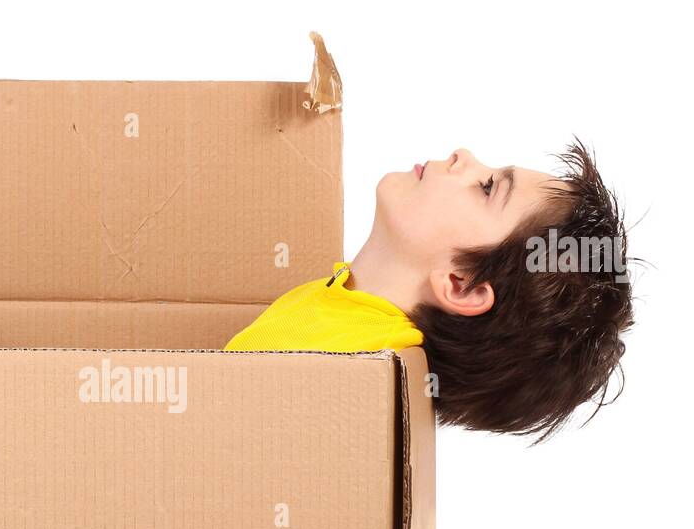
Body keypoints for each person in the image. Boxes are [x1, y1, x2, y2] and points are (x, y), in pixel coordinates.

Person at [226, 142, 634, 438]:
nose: (463, 154)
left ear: (461, 284)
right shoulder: (344, 300)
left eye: (487, 188)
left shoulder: (348, 365)